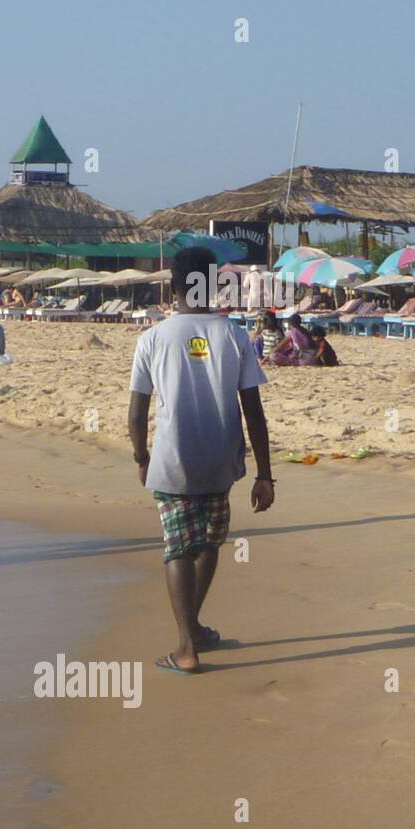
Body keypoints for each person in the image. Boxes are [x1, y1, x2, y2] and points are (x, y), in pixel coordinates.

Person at [128, 247, 274, 676]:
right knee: (208, 542)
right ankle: (192, 623)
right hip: (220, 460)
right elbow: (254, 411)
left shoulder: (154, 337)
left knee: (178, 548)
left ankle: (186, 647)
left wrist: (141, 456)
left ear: (174, 287)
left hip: (173, 461)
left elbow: (136, 412)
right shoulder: (235, 336)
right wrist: (265, 475)